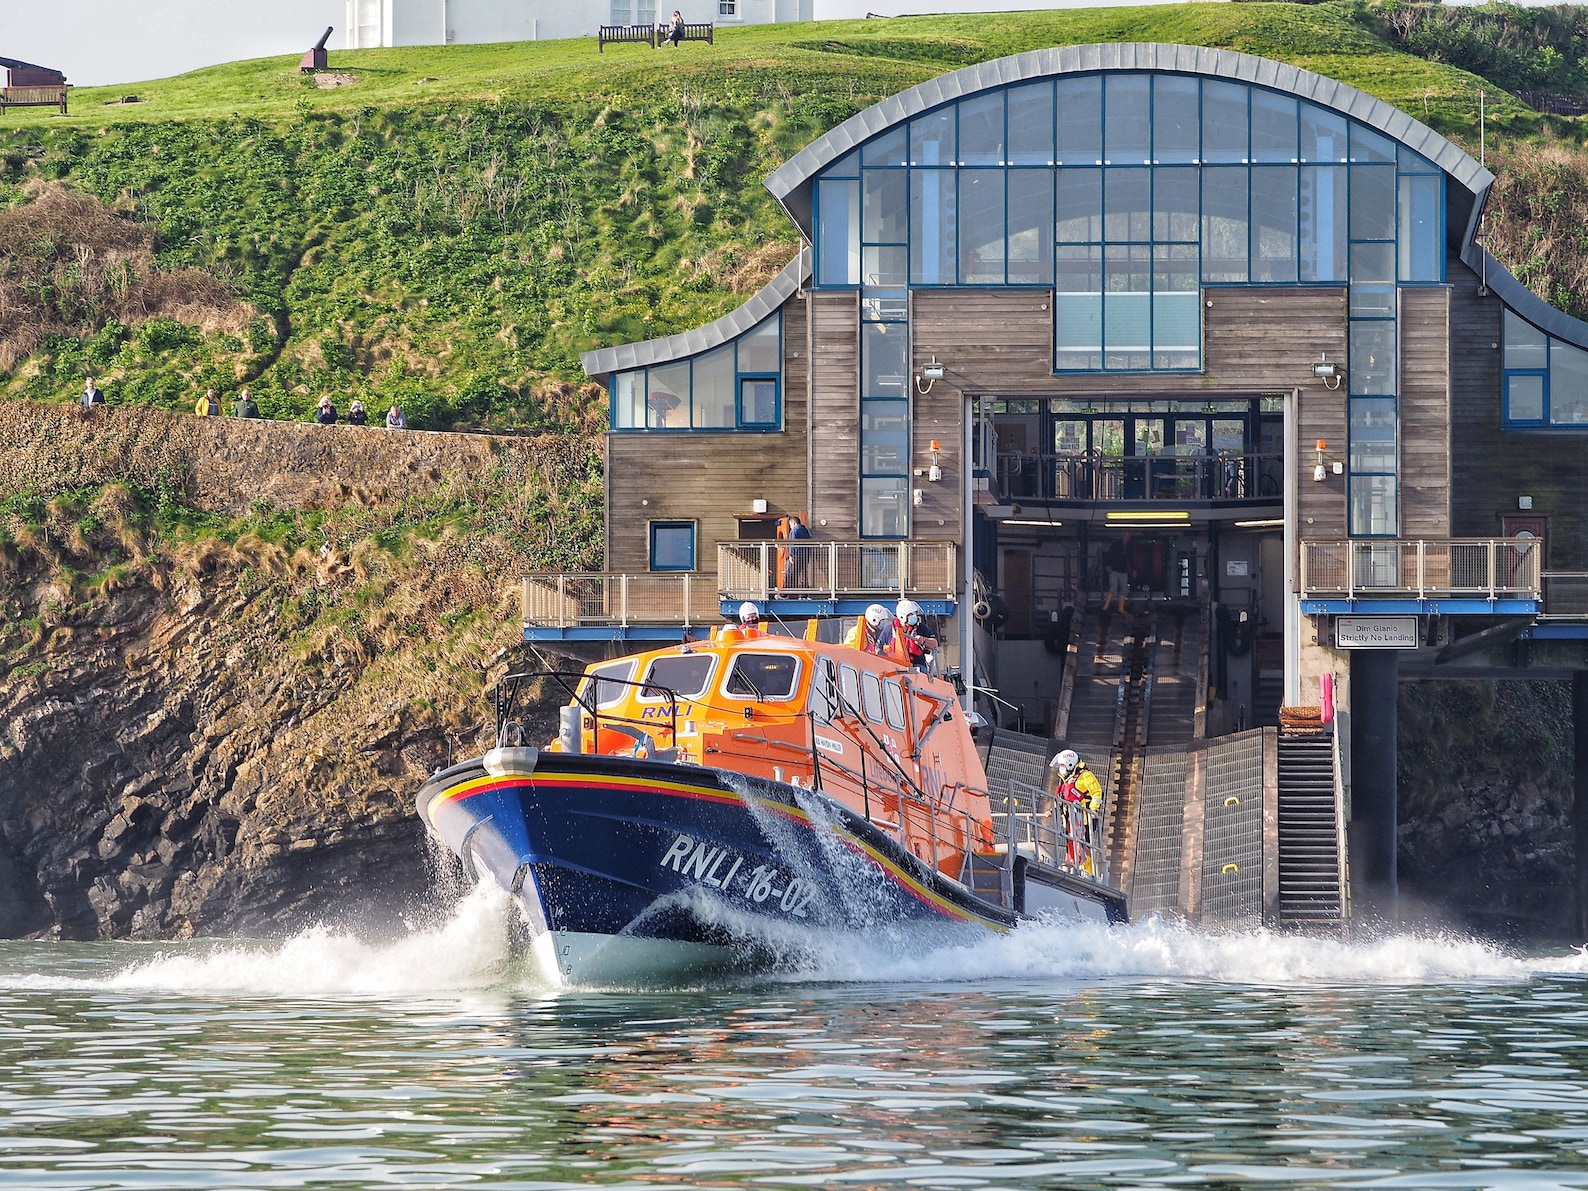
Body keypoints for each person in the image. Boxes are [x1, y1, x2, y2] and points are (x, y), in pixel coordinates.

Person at [1048, 748, 1103, 871]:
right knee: (1072, 845)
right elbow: (1061, 799)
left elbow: (1097, 791)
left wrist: (1093, 810)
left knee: (1084, 847)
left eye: (1062, 765)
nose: (1060, 768)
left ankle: (1086, 870)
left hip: (1083, 819)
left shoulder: (1085, 776)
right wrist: (1053, 811)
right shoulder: (1065, 780)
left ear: (1070, 764)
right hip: (1070, 820)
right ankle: (1073, 867)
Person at [894, 599, 938, 672]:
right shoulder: (890, 629)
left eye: (914, 613)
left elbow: (935, 644)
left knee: (921, 671)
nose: (914, 616)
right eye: (911, 614)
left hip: (917, 664)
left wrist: (924, 640)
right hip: (894, 664)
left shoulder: (921, 628)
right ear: (902, 616)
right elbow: (880, 648)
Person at [1102, 534, 1130, 613]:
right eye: (1125, 536)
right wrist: (1108, 565)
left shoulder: (1129, 547)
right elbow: (1109, 555)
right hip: (1114, 570)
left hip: (1123, 571)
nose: (1127, 538)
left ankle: (1121, 608)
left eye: (1128, 537)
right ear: (1122, 536)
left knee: (1124, 589)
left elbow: (1131, 558)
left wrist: (1134, 569)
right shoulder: (1115, 545)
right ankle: (1106, 606)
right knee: (1113, 588)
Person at [783, 514, 812, 588]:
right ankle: (804, 593)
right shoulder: (805, 531)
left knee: (790, 573)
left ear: (794, 523)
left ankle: (785, 593)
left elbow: (792, 543)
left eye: (790, 525)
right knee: (803, 574)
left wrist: (791, 555)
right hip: (805, 555)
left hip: (797, 555)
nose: (790, 527)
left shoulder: (794, 530)